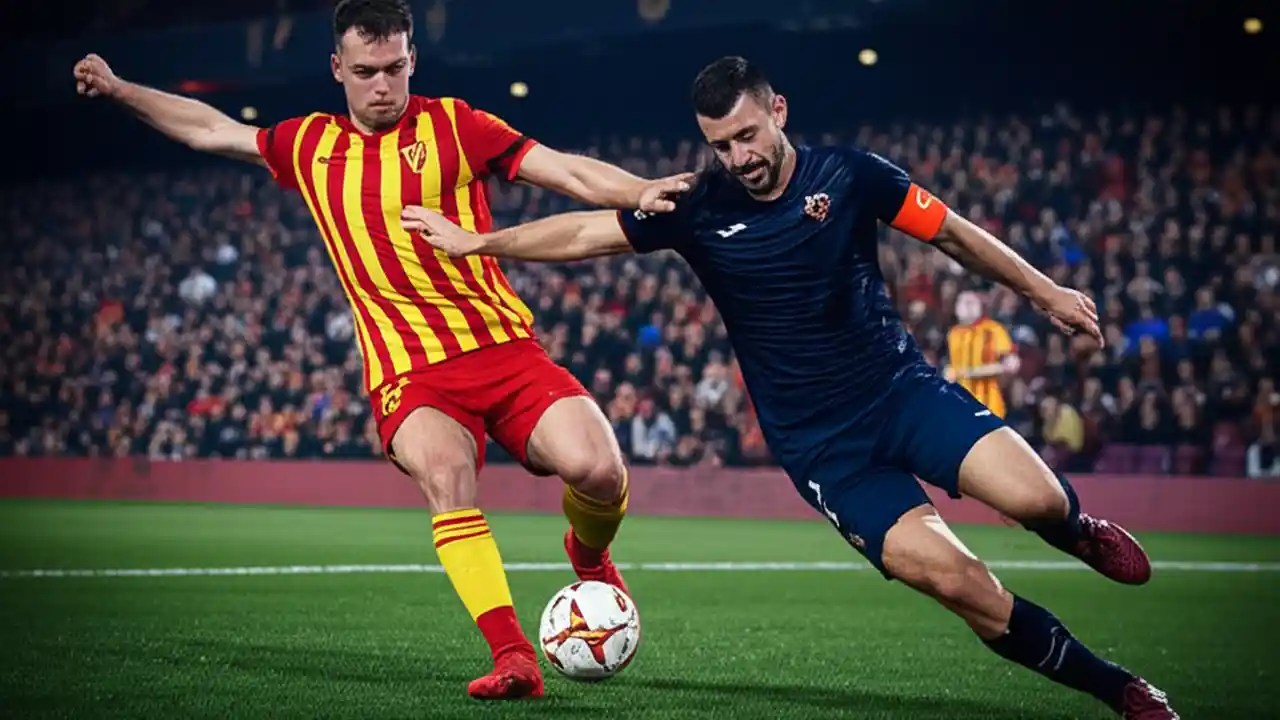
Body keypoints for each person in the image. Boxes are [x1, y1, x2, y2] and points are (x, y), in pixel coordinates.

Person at [402, 56, 1179, 718]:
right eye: (719, 145)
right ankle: (1119, 691)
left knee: (1039, 501)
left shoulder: (850, 174)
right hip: (823, 447)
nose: (738, 156)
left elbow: (951, 233)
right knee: (956, 581)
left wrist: (1046, 293)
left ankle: (1077, 531)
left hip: (900, 393)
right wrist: (483, 243)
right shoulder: (697, 205)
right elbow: (582, 233)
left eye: (746, 135)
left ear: (778, 111)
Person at [73, 0, 693, 701]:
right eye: (365, 71)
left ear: (412, 61)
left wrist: (641, 191)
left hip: (503, 348)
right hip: (410, 370)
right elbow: (212, 131)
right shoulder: (309, 145)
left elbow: (567, 172)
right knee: (446, 476)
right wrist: (123, 90)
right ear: (338, 68)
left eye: (395, 68)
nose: (382, 86)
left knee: (600, 469)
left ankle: (589, 555)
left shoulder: (458, 125)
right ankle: (514, 655)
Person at [944, 291, 1019, 419]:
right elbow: (952, 367)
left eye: (971, 302)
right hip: (961, 406)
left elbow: (1011, 365)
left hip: (989, 405)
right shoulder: (953, 334)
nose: (967, 306)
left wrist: (971, 372)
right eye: (963, 302)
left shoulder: (994, 330)